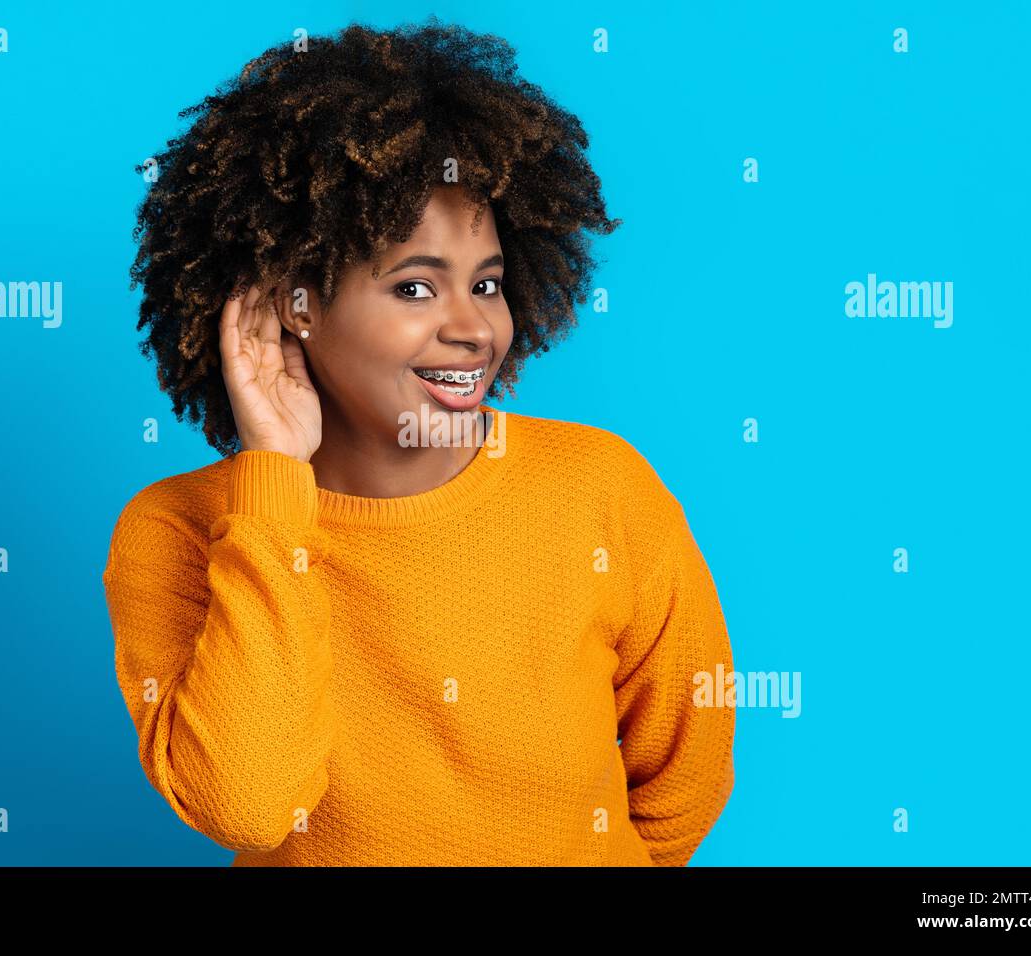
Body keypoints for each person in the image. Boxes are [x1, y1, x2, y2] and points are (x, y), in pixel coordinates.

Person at [102, 17, 734, 866]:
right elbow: (249, 804)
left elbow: (683, 786)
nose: (473, 328)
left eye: (487, 283)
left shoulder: (602, 489)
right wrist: (274, 478)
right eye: (414, 287)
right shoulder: (176, 530)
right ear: (296, 304)